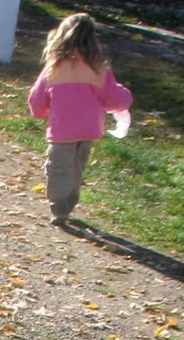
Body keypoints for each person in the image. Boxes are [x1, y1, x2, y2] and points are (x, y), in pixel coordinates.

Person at [27, 13, 132, 227]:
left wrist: (40, 112)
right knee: (76, 167)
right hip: (88, 130)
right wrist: (125, 97)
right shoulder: (99, 70)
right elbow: (114, 99)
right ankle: (70, 201)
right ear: (93, 40)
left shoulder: (54, 69)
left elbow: (37, 99)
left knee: (58, 168)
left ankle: (59, 207)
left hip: (62, 130)